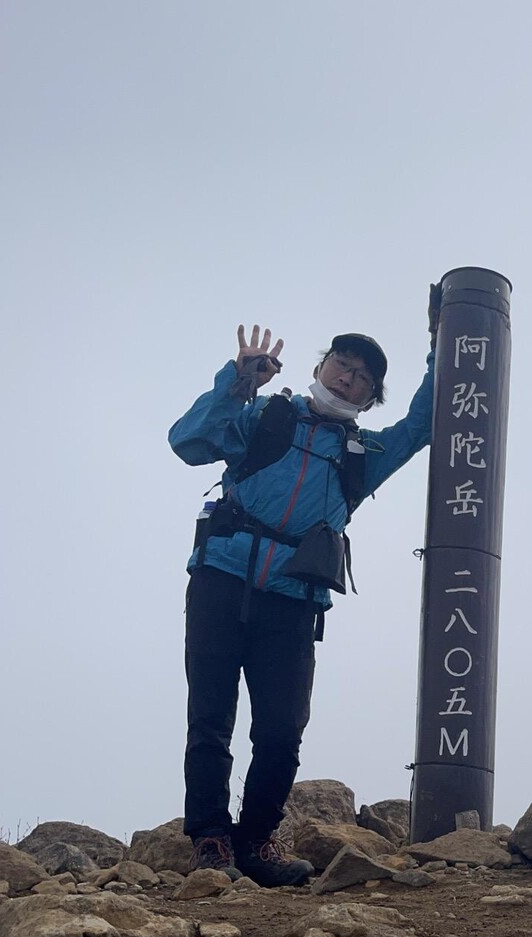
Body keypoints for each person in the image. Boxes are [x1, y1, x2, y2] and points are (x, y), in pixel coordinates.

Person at [169, 300, 437, 887]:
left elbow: (422, 424)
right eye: (343, 363)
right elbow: (187, 441)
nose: (350, 376)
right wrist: (237, 381)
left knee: (282, 732)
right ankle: (211, 842)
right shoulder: (267, 416)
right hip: (221, 578)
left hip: (293, 599)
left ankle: (256, 842)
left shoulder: (362, 456)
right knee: (210, 719)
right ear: (321, 367)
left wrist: (444, 341)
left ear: (370, 399)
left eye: (364, 376)